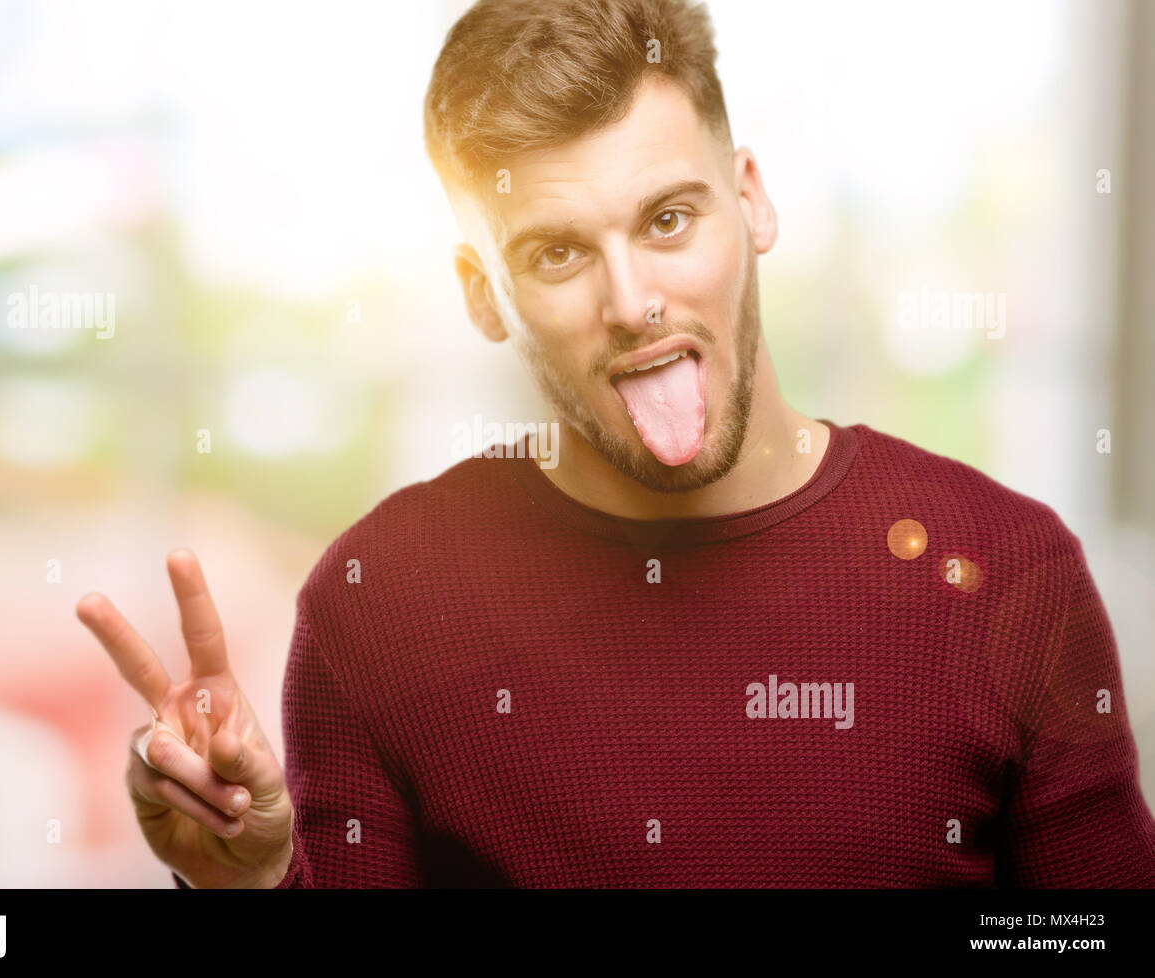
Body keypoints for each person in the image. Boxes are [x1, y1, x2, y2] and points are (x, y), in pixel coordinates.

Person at [76, 0, 1155, 887]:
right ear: (482, 296)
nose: (634, 302)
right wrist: (253, 883)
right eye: (556, 255)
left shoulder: (1013, 575)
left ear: (750, 200)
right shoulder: (377, 606)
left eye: (669, 220)